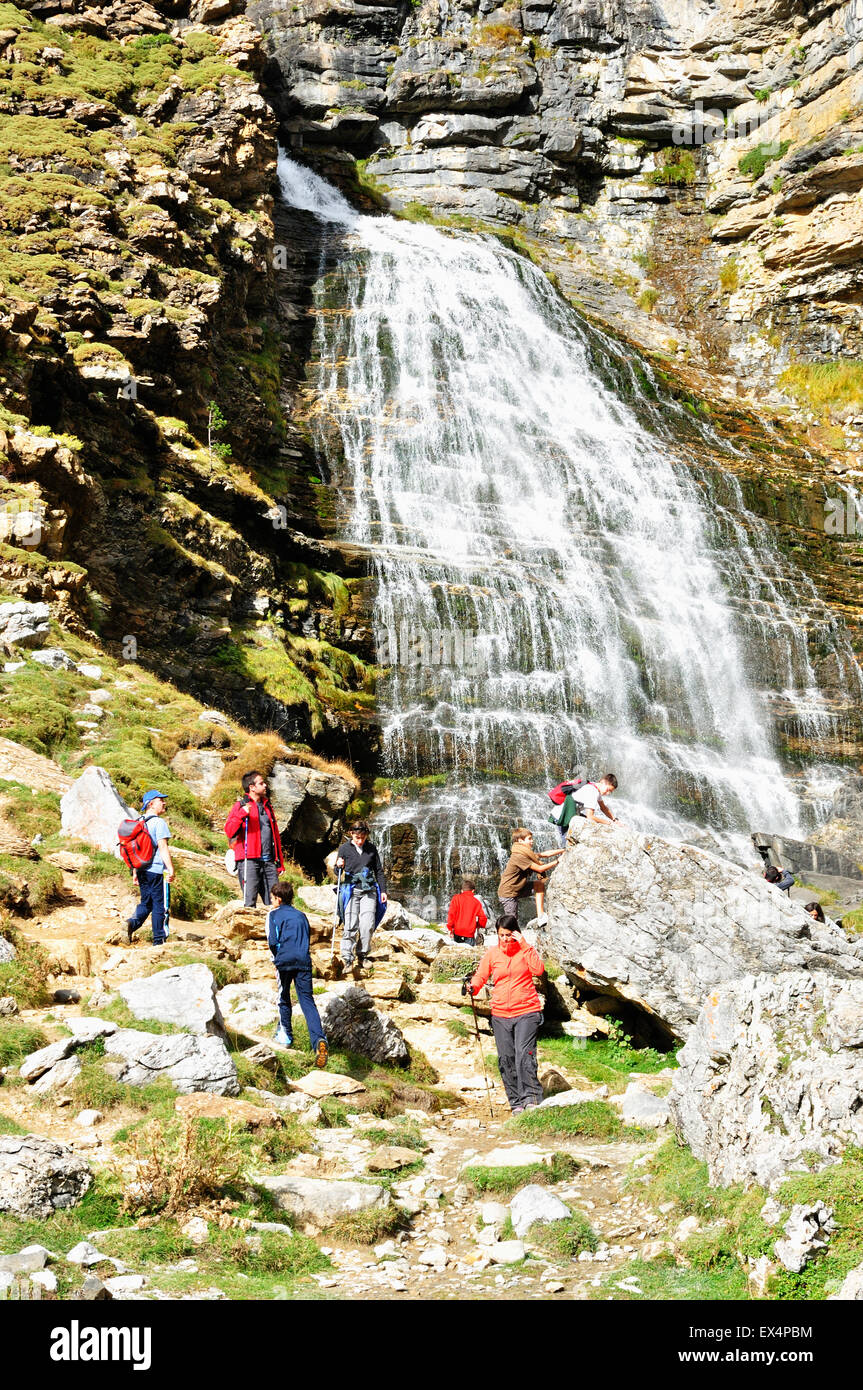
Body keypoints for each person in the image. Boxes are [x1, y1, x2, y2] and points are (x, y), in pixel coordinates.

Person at [465, 914, 545, 1114]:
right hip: (500, 1014)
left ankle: (532, 1099)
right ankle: (516, 1102)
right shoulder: (492, 954)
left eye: (509, 935)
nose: (506, 939)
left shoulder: (525, 950)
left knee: (524, 1056)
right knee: (506, 1058)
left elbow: (538, 969)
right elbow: (481, 976)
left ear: (516, 933)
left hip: (527, 1011)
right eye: (502, 935)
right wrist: (472, 987)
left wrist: (524, 944)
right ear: (497, 935)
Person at [266, 881, 328, 1068]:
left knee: (284, 998)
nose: (271, 901)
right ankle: (318, 1040)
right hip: (303, 961)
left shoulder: (273, 915)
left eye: (272, 898)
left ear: (278, 898)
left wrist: (277, 958)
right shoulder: (302, 915)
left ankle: (286, 1036)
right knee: (307, 1001)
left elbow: (272, 940)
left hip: (284, 961)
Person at [224, 770, 284, 908]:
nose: (265, 786)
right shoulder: (240, 806)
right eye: (261, 783)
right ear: (252, 787)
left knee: (276, 902)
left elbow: (275, 835)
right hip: (248, 860)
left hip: (269, 862)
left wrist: (279, 862)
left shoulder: (268, 807)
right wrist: (241, 814)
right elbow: (229, 830)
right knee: (249, 902)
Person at [336, 820, 387, 970]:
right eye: (357, 837)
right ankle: (347, 958)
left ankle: (363, 955)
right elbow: (336, 872)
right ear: (351, 834)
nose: (360, 840)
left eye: (363, 838)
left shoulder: (371, 848)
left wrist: (383, 890)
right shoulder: (344, 849)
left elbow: (379, 871)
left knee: (368, 924)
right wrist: (339, 865)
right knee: (351, 924)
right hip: (351, 889)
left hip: (369, 890)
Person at [126, 790, 174, 947]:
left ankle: (131, 924)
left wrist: (134, 872)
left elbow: (135, 850)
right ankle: (158, 941)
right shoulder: (159, 823)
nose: (164, 803)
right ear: (151, 804)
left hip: (141, 870)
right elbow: (163, 848)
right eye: (161, 800)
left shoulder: (139, 821)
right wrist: (170, 869)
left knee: (146, 903)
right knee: (160, 906)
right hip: (156, 870)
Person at [498, 827, 563, 928]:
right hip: (508, 892)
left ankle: (541, 915)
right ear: (520, 840)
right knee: (512, 922)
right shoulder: (519, 856)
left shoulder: (526, 853)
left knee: (539, 885)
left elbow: (544, 854)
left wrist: (563, 850)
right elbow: (540, 869)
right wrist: (557, 861)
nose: (532, 841)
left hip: (519, 887)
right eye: (529, 839)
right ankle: (507, 939)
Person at [446, 877, 488, 945]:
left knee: (458, 951)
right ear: (473, 891)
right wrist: (478, 925)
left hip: (457, 931)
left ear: (462, 890)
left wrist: (450, 928)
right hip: (470, 932)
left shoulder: (456, 898)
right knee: (469, 953)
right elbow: (483, 918)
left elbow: (451, 914)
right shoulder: (476, 902)